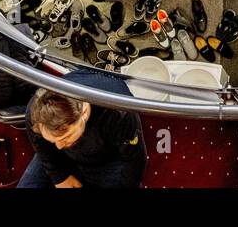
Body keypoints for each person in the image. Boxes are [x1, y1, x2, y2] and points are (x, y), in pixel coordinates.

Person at [19, 71, 147, 188]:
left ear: (84, 113)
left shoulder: (119, 111)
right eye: (53, 140)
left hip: (105, 159)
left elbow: (135, 159)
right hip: (56, 159)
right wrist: (59, 177)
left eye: (65, 137)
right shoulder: (35, 111)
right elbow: (40, 145)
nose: (59, 146)